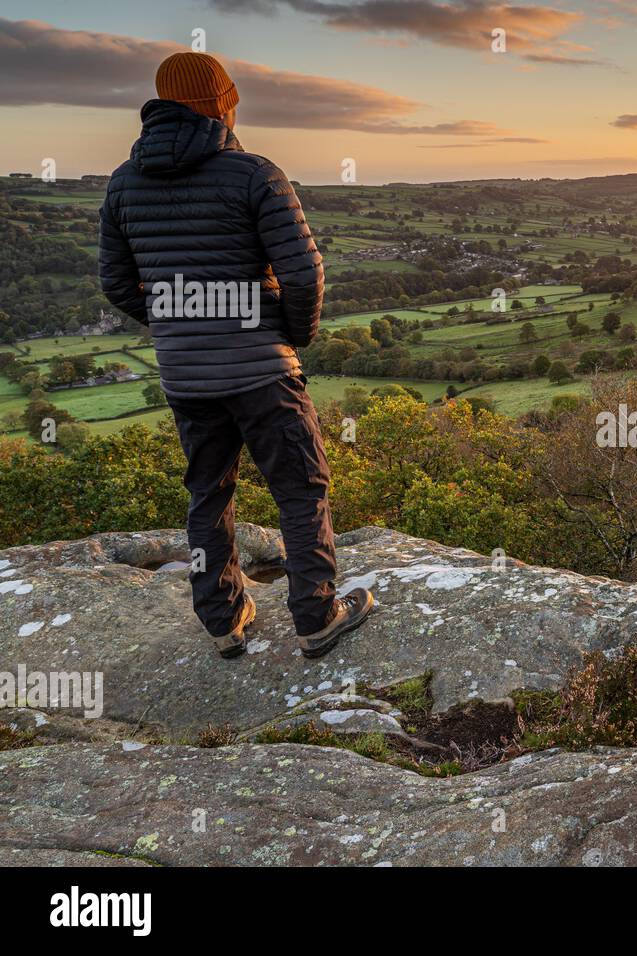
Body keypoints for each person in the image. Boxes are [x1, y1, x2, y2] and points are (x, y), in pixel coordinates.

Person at [98, 51, 372, 660]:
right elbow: (303, 272)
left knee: (209, 491)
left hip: (187, 376)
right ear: (220, 103)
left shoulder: (123, 182)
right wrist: (291, 334)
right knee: (301, 488)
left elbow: (116, 283)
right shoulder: (254, 174)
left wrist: (178, 324)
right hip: (262, 370)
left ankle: (223, 620)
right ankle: (316, 615)